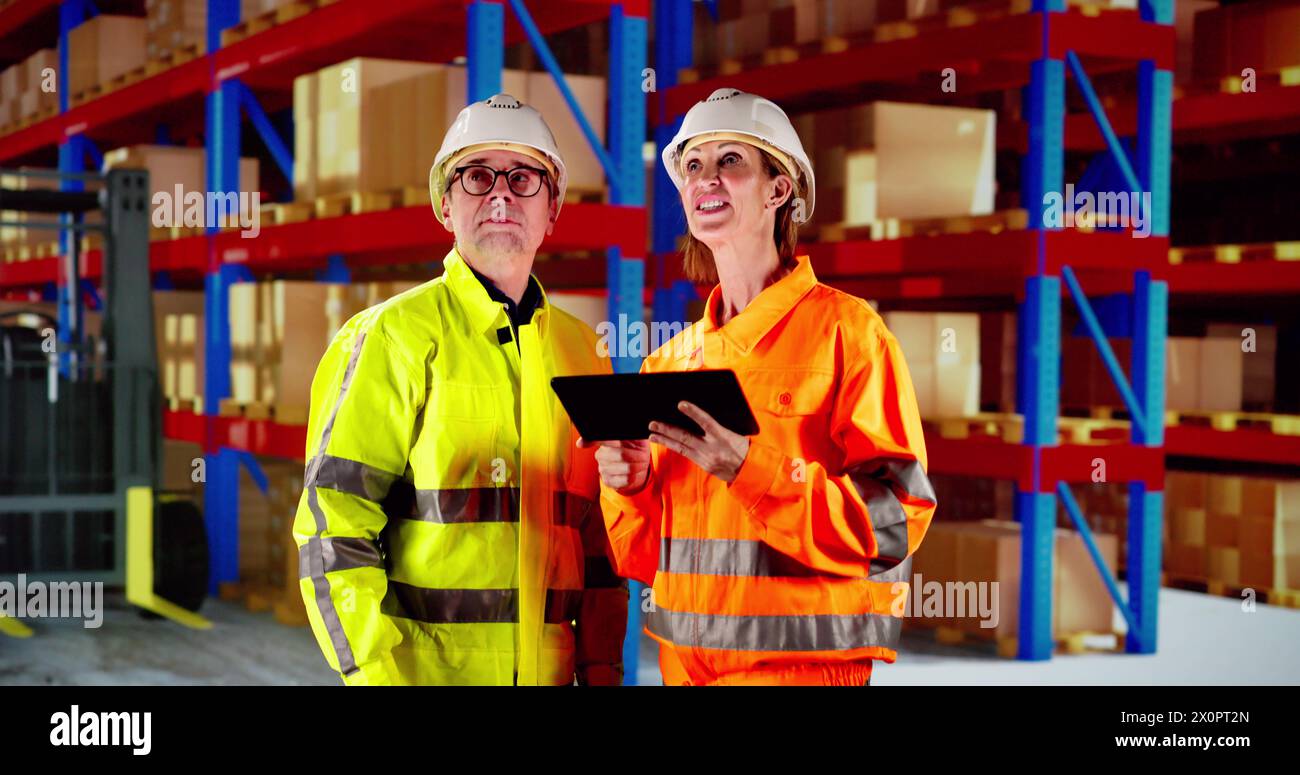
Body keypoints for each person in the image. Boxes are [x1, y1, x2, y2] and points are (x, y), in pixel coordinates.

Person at [588, 88, 938, 686]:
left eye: (731, 162)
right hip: (684, 665)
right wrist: (633, 489)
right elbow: (643, 559)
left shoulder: (847, 333)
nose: (707, 180)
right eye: (694, 165)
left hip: (800, 666)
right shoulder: (669, 363)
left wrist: (752, 470)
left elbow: (897, 522)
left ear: (779, 191)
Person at [294, 94, 627, 685]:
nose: (500, 193)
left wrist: (601, 671)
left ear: (552, 209)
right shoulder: (391, 340)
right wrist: (375, 678)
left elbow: (598, 544)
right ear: (445, 206)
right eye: (476, 177)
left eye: (523, 178)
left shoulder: (585, 354)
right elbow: (332, 528)